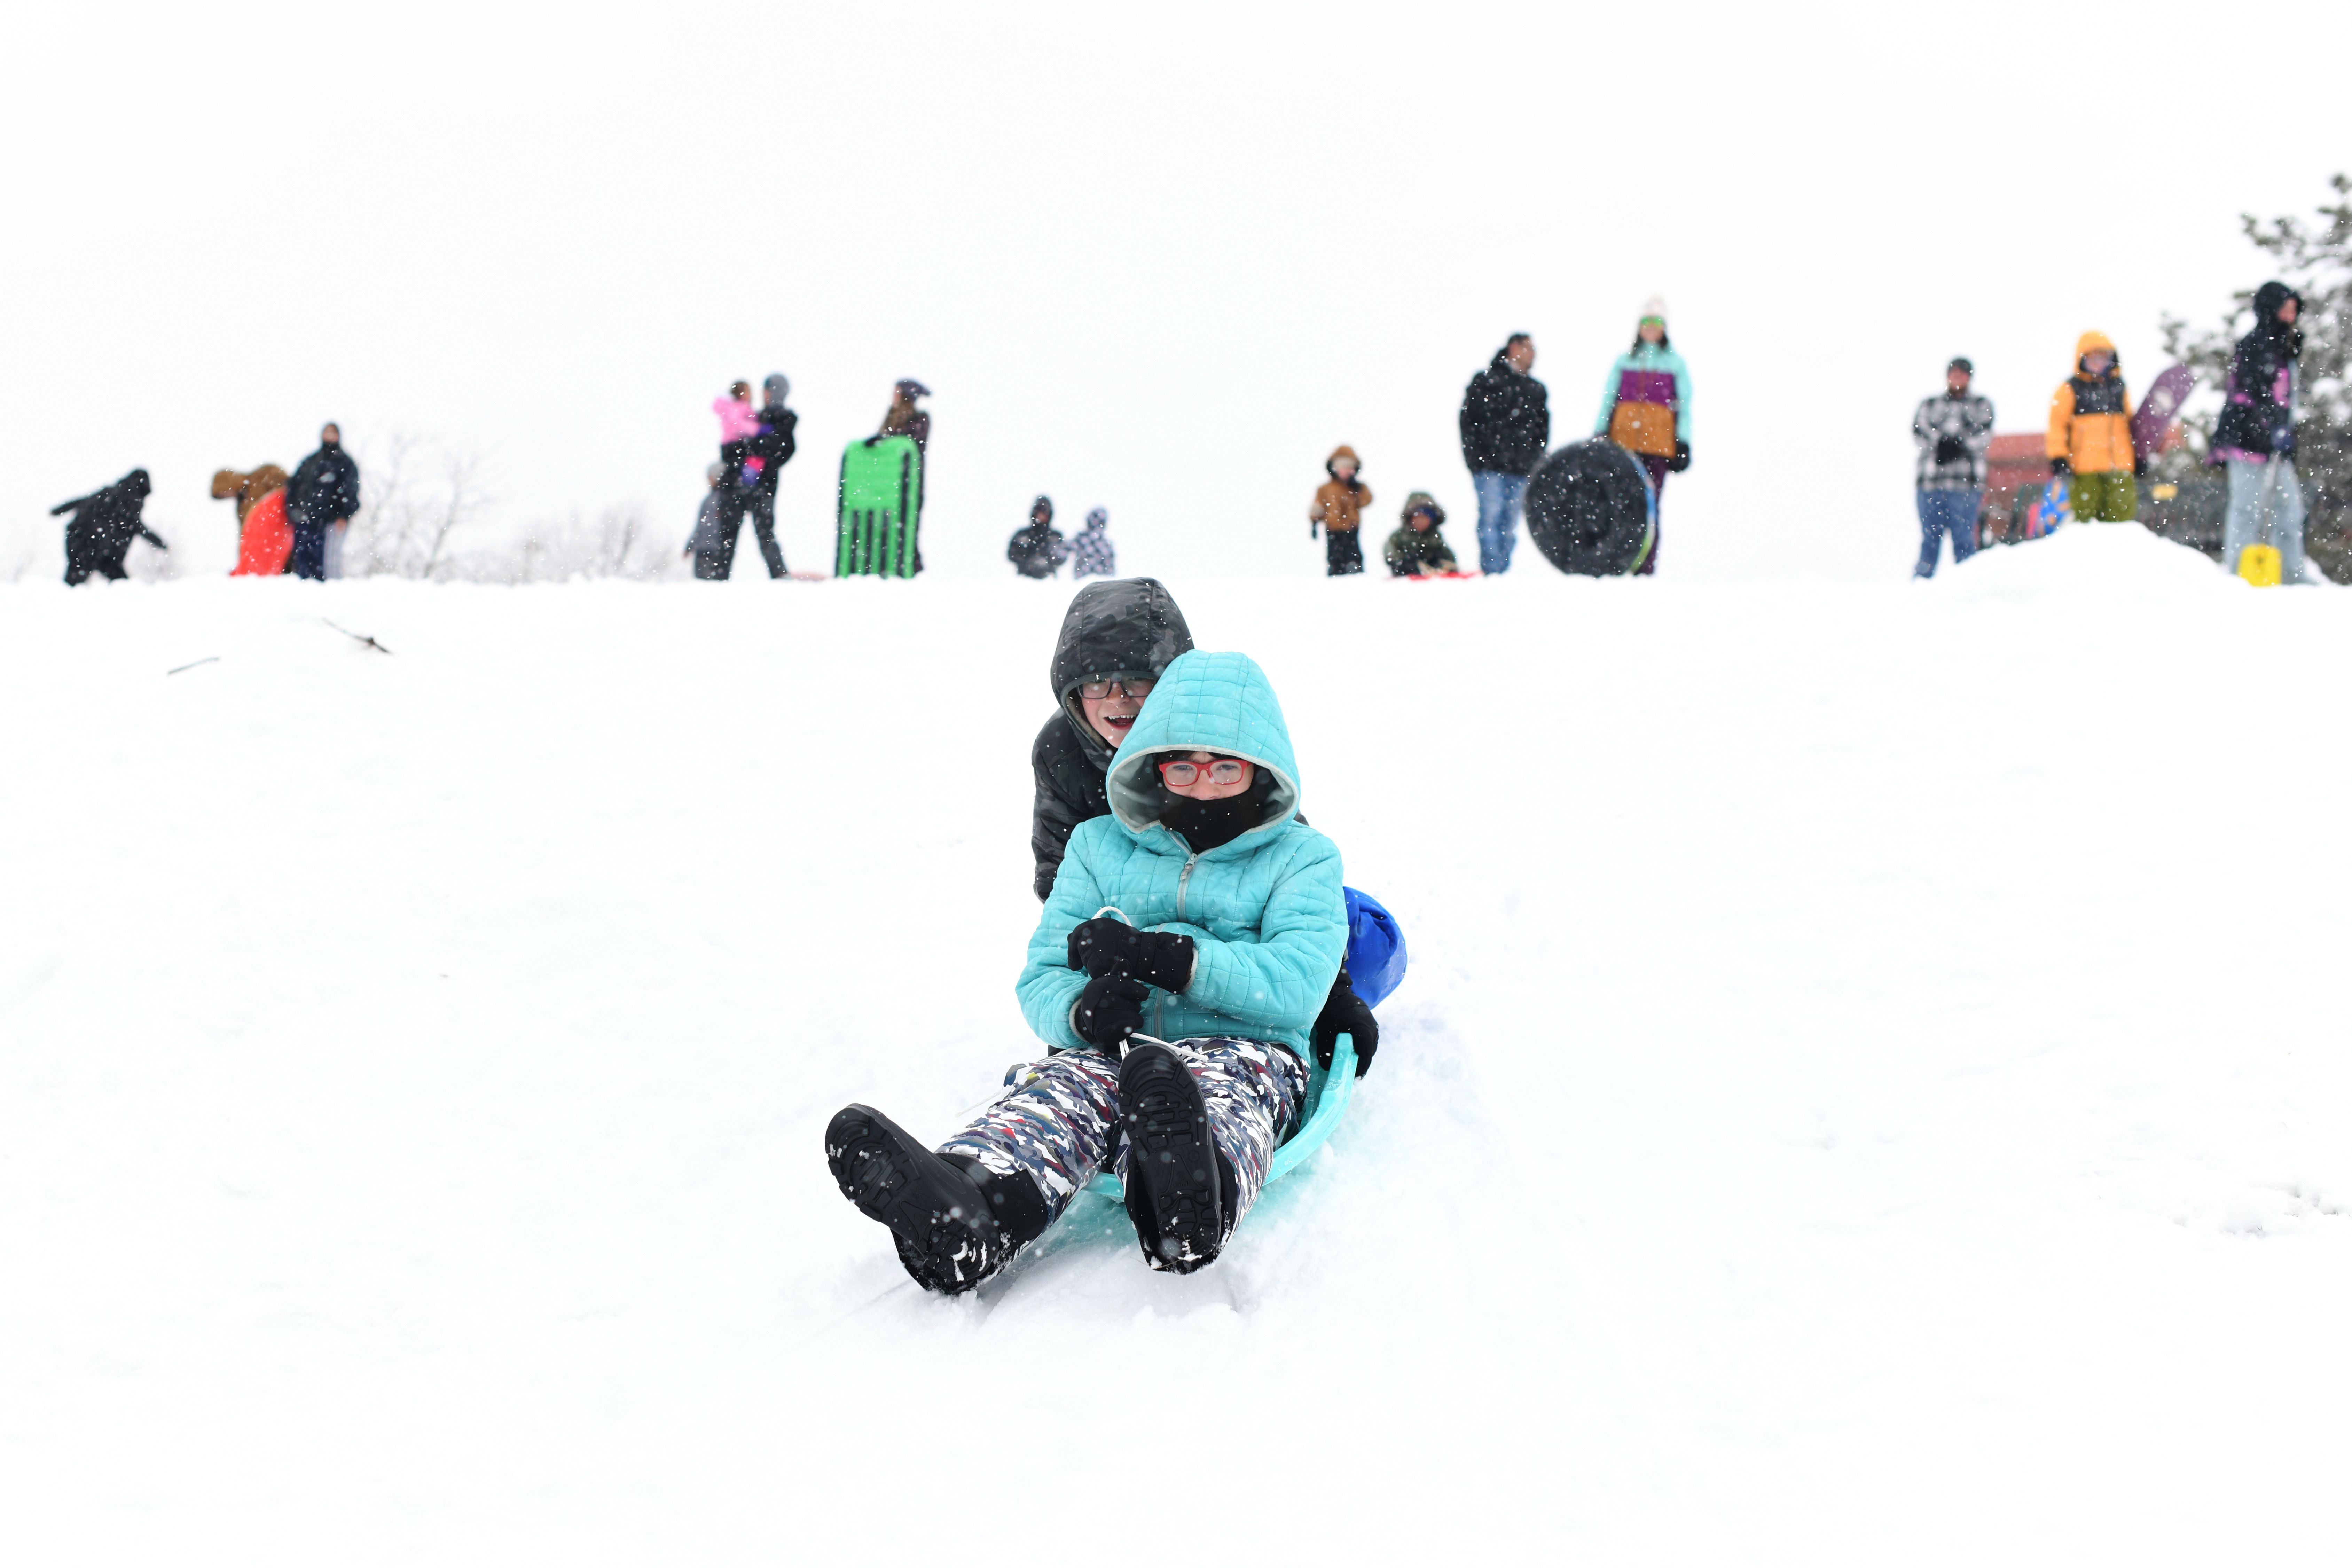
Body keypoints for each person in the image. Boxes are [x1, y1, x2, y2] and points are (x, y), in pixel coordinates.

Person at [824, 649, 1349, 1292]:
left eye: (1225, 768)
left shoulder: (1303, 857)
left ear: (1260, 770)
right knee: (1057, 1097)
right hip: (1116, 1044)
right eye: (1182, 766)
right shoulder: (1098, 844)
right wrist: (1081, 1009)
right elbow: (1042, 974)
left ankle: (1189, 1196)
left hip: (1245, 1041)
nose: (1202, 784)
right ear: (1155, 763)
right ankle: (967, 1213)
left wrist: (1171, 958)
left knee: (1221, 1096)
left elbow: (1297, 984)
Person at [1027, 577, 1378, 1066]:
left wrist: (1331, 993)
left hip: (1237, 939)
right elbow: (1062, 877)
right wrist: (1081, 1001)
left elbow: (1283, 855)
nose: (1118, 698)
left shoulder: (1230, 744)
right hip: (1127, 907)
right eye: (1094, 683)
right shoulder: (1064, 754)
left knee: (1340, 929)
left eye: (1137, 680)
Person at [2211, 282, 2308, 582]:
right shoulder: (2255, 344)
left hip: (2275, 443)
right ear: (2271, 309)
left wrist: (2283, 431)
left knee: (2290, 509)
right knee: (2247, 509)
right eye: (2286, 307)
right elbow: (2253, 392)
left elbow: (2284, 397)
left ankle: (2293, 575)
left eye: (2294, 308)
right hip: (2247, 440)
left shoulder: (2286, 345)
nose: (2291, 314)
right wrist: (2273, 426)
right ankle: (2238, 573)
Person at [1594, 299, 1691, 576]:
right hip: (1623, 443)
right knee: (1619, 504)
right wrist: (1601, 431)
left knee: (1649, 506)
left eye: (1657, 323)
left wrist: (1682, 441)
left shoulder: (1674, 364)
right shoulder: (1625, 361)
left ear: (1664, 328)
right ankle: (1617, 562)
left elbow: (1685, 407)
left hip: (1658, 446)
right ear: (1639, 327)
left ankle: (1645, 567)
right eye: (1647, 323)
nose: (1652, 328)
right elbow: (1608, 399)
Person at [1458, 334, 1550, 574]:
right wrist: (1476, 459)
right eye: (1529, 348)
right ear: (1514, 348)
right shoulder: (1486, 382)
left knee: (1509, 525)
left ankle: (1501, 573)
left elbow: (1542, 430)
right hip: (1490, 467)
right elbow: (1469, 422)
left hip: (1521, 469)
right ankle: (1492, 573)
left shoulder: (1535, 390)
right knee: (1491, 518)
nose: (1533, 354)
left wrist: (1534, 459)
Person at [1911, 358, 1995, 578]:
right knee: (1930, 541)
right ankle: (1920, 589)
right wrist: (1941, 444)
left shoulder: (1980, 404)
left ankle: (1968, 588)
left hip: (1966, 485)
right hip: (1932, 483)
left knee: (1964, 540)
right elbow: (1920, 430)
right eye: (1954, 373)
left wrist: (1959, 446)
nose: (1958, 377)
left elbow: (1984, 434)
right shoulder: (1929, 405)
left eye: (1963, 373)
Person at [2046, 332, 2140, 524]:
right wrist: (2058, 456)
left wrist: (2140, 455)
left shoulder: (2119, 387)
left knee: (2122, 516)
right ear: (2082, 360)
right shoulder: (2070, 389)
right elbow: (2057, 426)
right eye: (2092, 357)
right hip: (2084, 466)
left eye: (2103, 357)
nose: (2098, 362)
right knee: (2086, 518)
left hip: (2121, 465)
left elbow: (2132, 425)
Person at [54, 469, 166, 585]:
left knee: (75, 579)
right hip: (93, 545)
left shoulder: (110, 492)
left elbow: (83, 501)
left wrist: (60, 510)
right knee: (120, 583)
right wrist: (160, 542)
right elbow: (135, 524)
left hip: (81, 538)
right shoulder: (131, 498)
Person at [737, 373, 797, 579]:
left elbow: (783, 450)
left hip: (764, 485)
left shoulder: (783, 420)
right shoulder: (758, 417)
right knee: (734, 529)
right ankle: (718, 576)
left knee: (764, 532)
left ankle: (780, 574)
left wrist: (757, 446)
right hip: (746, 481)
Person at [286, 424, 361, 581]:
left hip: (329, 522)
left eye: (333, 433)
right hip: (306, 520)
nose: (330, 436)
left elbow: (351, 491)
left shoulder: (345, 463)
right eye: (327, 433)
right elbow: (294, 487)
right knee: (302, 559)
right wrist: (293, 511)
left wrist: (344, 515)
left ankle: (329, 593)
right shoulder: (310, 462)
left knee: (328, 563)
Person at [211, 464, 293, 577]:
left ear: (230, 483)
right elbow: (246, 533)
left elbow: (287, 490)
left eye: (224, 492)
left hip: (283, 534)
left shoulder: (264, 475)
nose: (226, 496)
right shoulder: (241, 504)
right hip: (266, 548)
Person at [1308, 445, 1372, 576]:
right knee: (1335, 558)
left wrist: (1359, 490)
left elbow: (1367, 501)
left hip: (1352, 529)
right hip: (1333, 530)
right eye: (1344, 467)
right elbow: (1318, 506)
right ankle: (1335, 575)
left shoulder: (1356, 488)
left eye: (1350, 468)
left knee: (1354, 556)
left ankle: (1356, 573)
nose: (1347, 471)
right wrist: (1314, 522)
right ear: (1335, 468)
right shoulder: (1326, 489)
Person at [1384, 492, 1461, 577]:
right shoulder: (1399, 537)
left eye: (1425, 518)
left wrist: (1445, 566)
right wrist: (1403, 562)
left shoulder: (1435, 538)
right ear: (1410, 519)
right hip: (1405, 581)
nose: (1421, 521)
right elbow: (1390, 554)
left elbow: (1449, 559)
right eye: (1417, 517)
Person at [1008, 496, 1069, 578]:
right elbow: (1012, 554)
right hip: (1024, 579)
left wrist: (1047, 560)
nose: (1042, 516)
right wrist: (1028, 559)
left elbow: (1062, 557)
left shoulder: (1055, 536)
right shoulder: (1022, 535)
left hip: (1049, 581)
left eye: (1045, 513)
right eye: (1040, 512)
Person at [685, 462, 728, 580]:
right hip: (717, 551)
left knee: (706, 586)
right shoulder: (724, 500)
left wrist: (690, 546)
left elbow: (701, 527)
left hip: (707, 551)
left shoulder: (711, 501)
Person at [1071, 506, 1116, 579]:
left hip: (1083, 581)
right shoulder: (1107, 544)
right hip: (1100, 584)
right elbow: (1111, 570)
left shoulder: (1081, 538)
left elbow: (1065, 552)